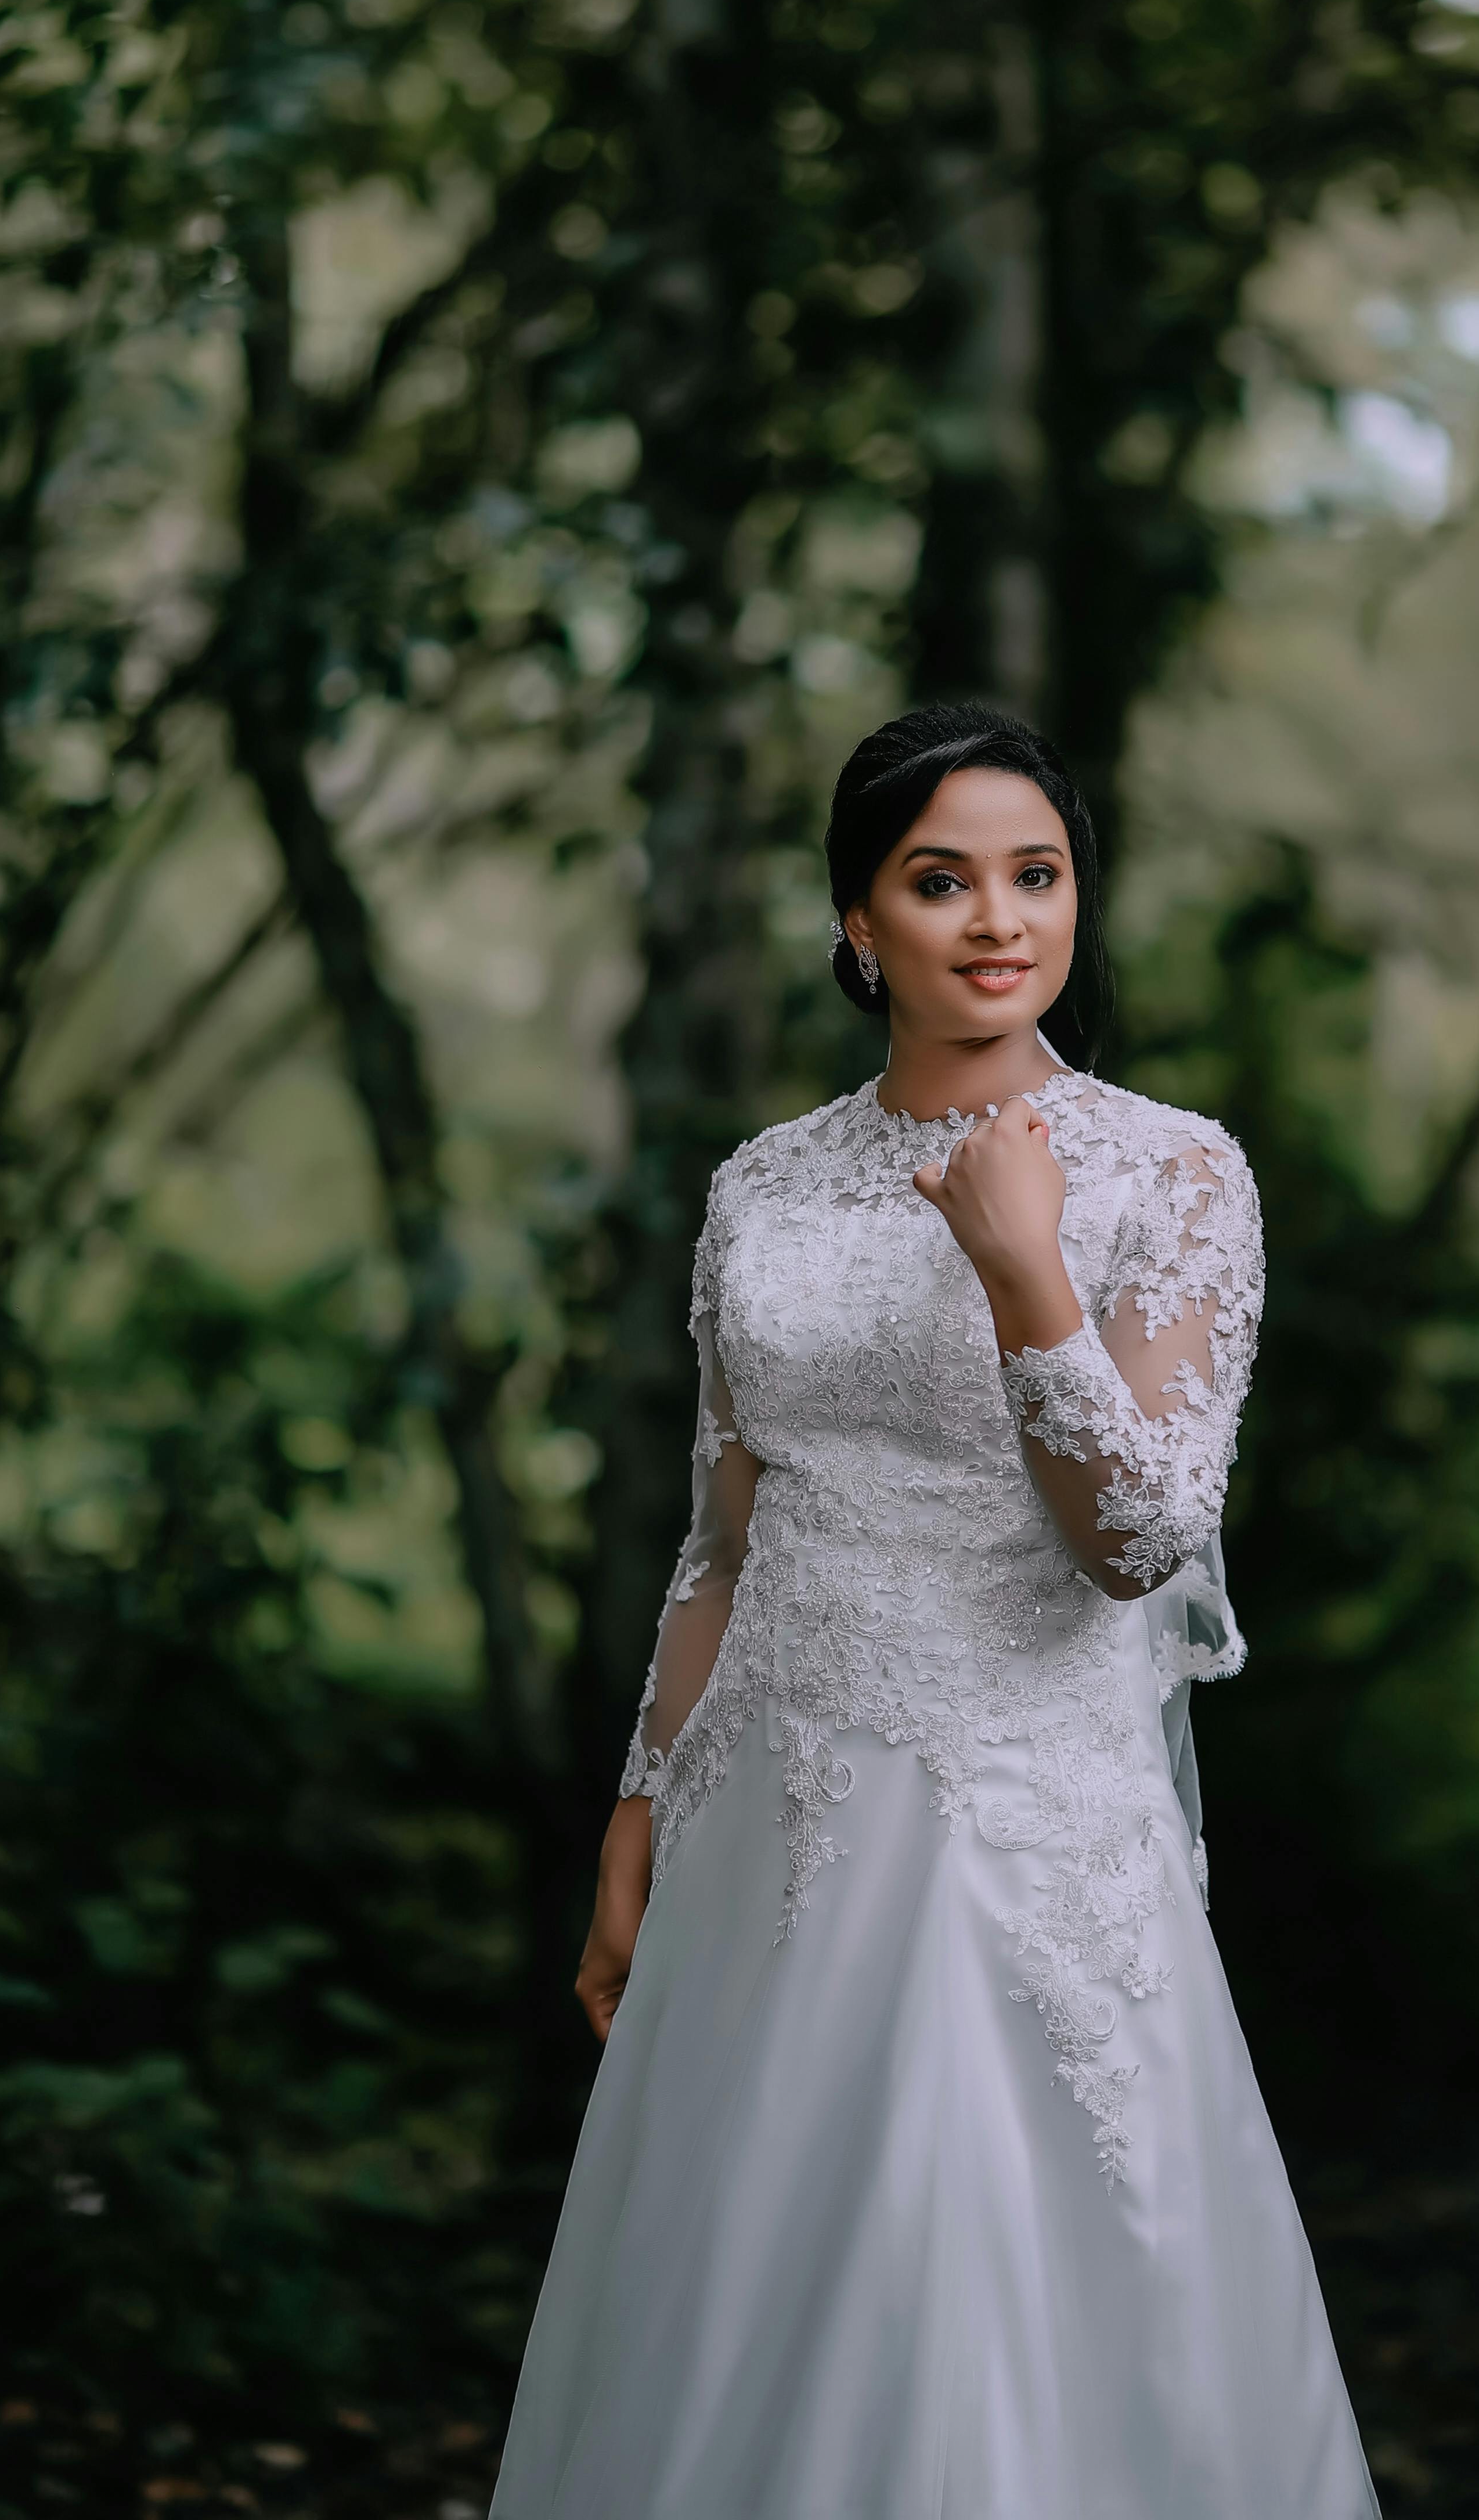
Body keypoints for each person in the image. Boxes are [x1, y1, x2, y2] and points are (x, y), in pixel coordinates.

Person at [490, 704, 1380, 2519]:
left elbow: (1139, 1541)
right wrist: (641, 1803)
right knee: (743, 2301)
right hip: (769, 1833)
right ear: (854, 921)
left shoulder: (1174, 1171)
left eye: (1036, 875)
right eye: (940, 879)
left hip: (1027, 1842)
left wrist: (1022, 1261)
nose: (998, 919)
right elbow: (721, 1545)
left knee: (1007, 2298)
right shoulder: (762, 1188)